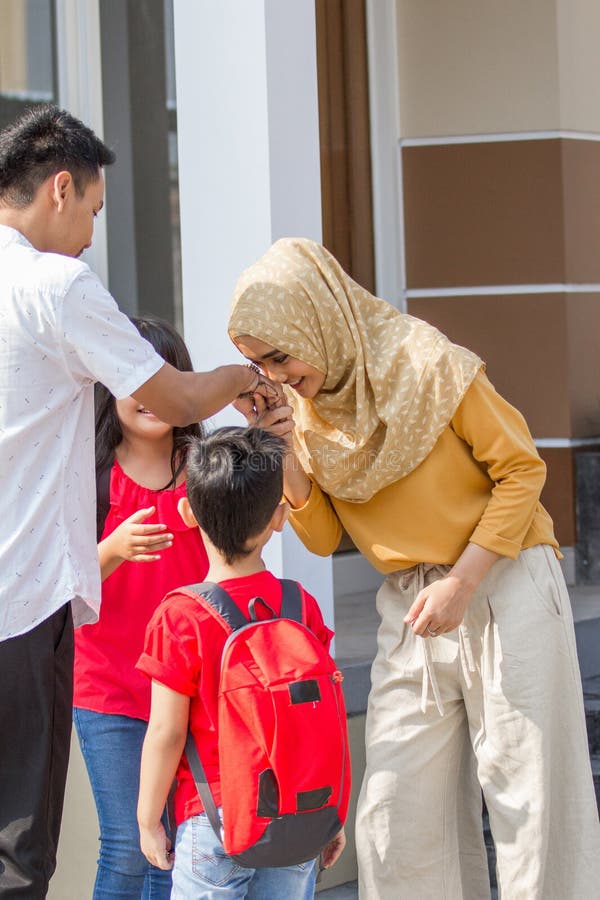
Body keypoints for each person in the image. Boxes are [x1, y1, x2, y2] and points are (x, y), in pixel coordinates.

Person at [228, 237, 600, 900]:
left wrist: (464, 581)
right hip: (410, 604)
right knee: (394, 822)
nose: (275, 376)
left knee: (532, 808)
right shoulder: (310, 417)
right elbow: (320, 537)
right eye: (259, 365)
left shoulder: (430, 363)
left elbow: (523, 471)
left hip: (503, 579)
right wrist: (285, 446)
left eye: (280, 356)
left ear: (319, 319)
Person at [0, 104, 274, 898]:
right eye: (91, 208)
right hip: (21, 605)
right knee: (18, 848)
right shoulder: (55, 285)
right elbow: (179, 395)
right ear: (60, 188)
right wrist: (246, 380)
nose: (90, 233)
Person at [136, 427, 346, 898]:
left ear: (188, 513)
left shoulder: (181, 615)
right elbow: (322, 723)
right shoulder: (300, 605)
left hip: (214, 817)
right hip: (294, 809)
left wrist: (148, 819)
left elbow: (166, 732)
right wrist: (329, 814)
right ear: (279, 518)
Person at [72, 315, 209, 899]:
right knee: (130, 847)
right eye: (134, 378)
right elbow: (56, 578)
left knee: (180, 844)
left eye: (165, 379)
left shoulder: (208, 467)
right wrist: (112, 548)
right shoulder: (84, 471)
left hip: (194, 689)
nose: (150, 394)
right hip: (108, 689)